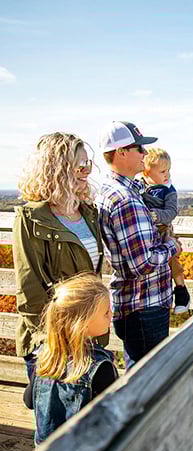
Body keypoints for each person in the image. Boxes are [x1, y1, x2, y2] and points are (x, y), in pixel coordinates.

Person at [13, 132, 107, 380]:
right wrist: (52, 343)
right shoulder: (30, 218)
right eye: (80, 164)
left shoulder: (88, 213)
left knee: (90, 415)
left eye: (89, 164)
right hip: (54, 344)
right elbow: (29, 289)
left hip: (87, 335)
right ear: (57, 168)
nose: (87, 170)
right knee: (55, 417)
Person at [96, 121, 182, 369]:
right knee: (146, 383)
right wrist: (172, 247)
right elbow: (142, 264)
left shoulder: (113, 190)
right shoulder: (126, 200)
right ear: (121, 153)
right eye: (139, 149)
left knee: (140, 378)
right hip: (145, 305)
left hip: (135, 305)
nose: (145, 154)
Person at [23, 273, 118, 445]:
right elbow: (113, 415)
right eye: (106, 312)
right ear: (82, 322)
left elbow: (29, 401)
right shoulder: (100, 367)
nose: (111, 315)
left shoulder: (44, 358)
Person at [140, 148, 191, 313]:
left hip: (163, 230)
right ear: (147, 172)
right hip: (146, 233)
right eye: (162, 171)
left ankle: (181, 290)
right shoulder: (139, 186)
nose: (166, 174)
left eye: (168, 170)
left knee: (172, 259)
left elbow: (171, 212)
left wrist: (154, 215)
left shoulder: (168, 190)